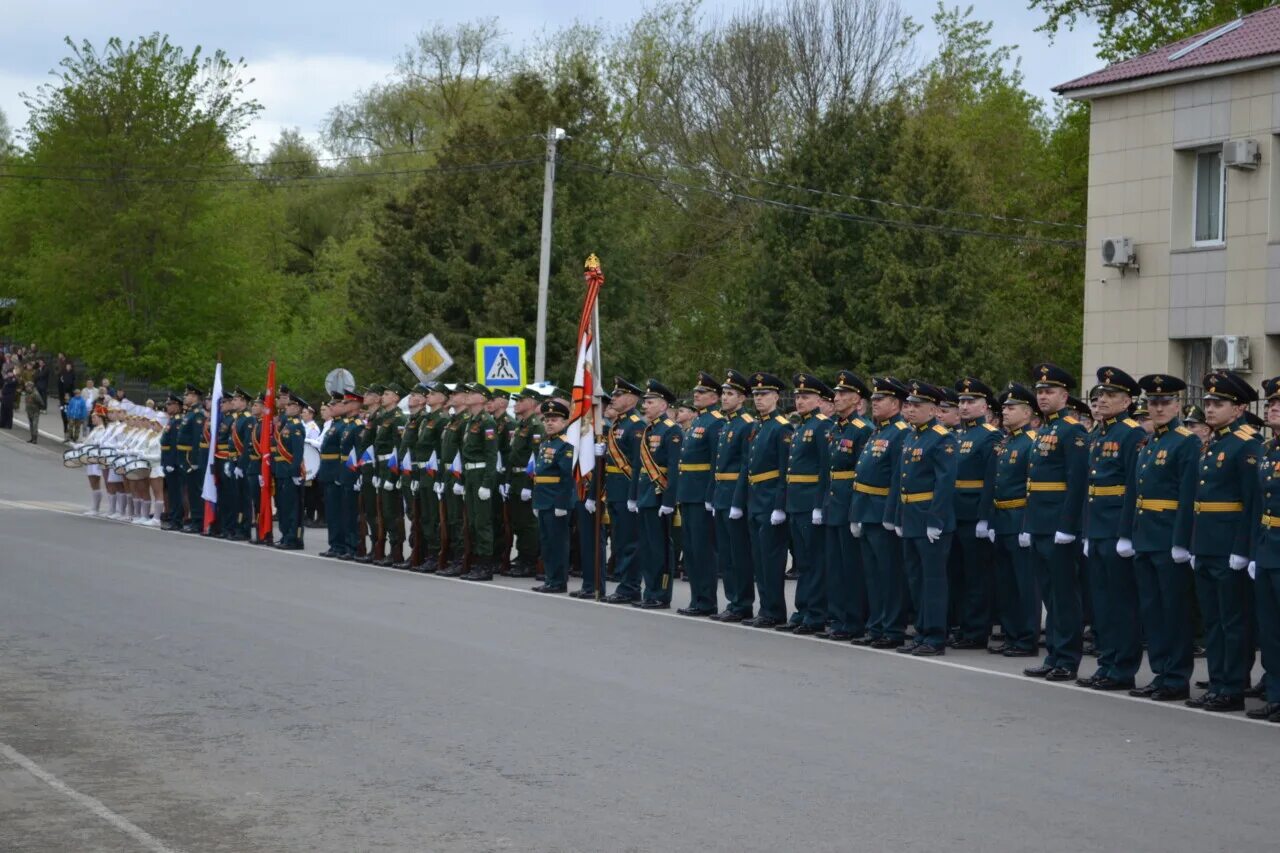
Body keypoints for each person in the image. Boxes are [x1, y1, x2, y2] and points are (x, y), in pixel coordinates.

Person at [1187, 371, 1260, 712]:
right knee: (1214, 620)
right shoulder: (1213, 442)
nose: (1211, 409)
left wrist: (1242, 550)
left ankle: (1232, 685)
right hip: (1206, 544)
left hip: (1229, 546)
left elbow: (1251, 504)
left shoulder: (1246, 444)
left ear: (1240, 407)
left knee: (1232, 620)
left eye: (1219, 403)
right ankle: (1218, 681)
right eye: (1208, 403)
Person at [1128, 374, 1199, 701]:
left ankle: (1176, 676)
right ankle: (1160, 671)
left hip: (1168, 537)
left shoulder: (1186, 442)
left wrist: (1181, 541)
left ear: (1178, 405)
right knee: (1152, 610)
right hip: (1146, 536)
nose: (1157, 408)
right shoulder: (1151, 441)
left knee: (1174, 611)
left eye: (1164, 402)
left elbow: (1187, 497)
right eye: (1152, 403)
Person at [1078, 366, 1146, 692]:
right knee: (1102, 603)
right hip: (1098, 527)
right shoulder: (1099, 433)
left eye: (1111, 395)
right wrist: (1088, 531)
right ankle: (1107, 663)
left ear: (1127, 400)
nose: (1102, 400)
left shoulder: (1131, 433)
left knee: (1121, 602)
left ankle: (1123, 668)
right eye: (1100, 394)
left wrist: (1125, 533)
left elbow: (1133, 487)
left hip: (1117, 526)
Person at [1021, 363, 1088, 683]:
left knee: (1064, 595)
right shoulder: (1045, 430)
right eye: (1039, 391)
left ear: (1064, 395)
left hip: (1058, 524)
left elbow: (1076, 483)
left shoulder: (1072, 430)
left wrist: (1068, 525)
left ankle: (1067, 657)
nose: (1043, 396)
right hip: (1039, 521)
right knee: (1049, 593)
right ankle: (1054, 655)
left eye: (1049, 391)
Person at [889, 381, 958, 656]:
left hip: (930, 520)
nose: (911, 410)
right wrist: (897, 516)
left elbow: (944, 484)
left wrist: (935, 520)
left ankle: (935, 636)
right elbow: (901, 481)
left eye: (917, 406)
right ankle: (921, 630)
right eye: (908, 405)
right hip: (910, 518)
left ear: (933, 409)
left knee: (933, 581)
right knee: (916, 579)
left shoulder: (943, 438)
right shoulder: (912, 436)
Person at [850, 376, 911, 648]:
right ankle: (876, 627)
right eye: (873, 399)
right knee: (872, 576)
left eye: (880, 399)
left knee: (889, 576)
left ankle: (892, 628)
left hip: (882, 514)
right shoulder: (879, 430)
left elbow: (898, 480)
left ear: (895, 403)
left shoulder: (900, 432)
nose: (874, 403)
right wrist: (856, 513)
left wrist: (891, 516)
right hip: (866, 511)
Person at [732, 372, 793, 628]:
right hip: (755, 499)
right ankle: (765, 607)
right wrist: (739, 500)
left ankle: (774, 610)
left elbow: (784, 471)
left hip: (769, 502)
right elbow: (747, 467)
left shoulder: (782, 426)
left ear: (776, 397)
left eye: (764, 394)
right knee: (758, 559)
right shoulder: (757, 426)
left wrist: (779, 506)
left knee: (771, 560)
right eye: (756, 395)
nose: (758, 399)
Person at [987, 383, 1040, 657]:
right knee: (1006, 582)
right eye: (1004, 407)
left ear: (1028, 412)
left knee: (1025, 583)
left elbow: (1032, 488)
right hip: (1002, 517)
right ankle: (1011, 634)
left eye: (1011, 408)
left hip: (1020, 517)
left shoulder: (1031, 442)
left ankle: (1027, 637)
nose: (1005, 412)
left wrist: (1027, 525)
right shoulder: (1007, 441)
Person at [819, 371, 872, 641]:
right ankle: (838, 617)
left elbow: (862, 474)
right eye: (836, 394)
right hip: (833, 503)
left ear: (856, 399)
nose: (836, 398)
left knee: (852, 567)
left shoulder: (863, 430)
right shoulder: (834, 428)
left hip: (850, 502)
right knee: (836, 566)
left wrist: (857, 511)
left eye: (842, 394)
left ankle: (854, 620)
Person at [780, 373, 835, 633]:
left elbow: (826, 469)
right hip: (796, 501)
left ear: (819, 399)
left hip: (810, 500)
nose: (800, 401)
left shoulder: (823, 426)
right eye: (798, 396)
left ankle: (815, 614)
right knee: (802, 561)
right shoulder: (802, 426)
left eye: (806, 397)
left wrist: (818, 504)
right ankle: (803, 610)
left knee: (814, 561)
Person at [949, 377, 1001, 649]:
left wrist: (985, 516)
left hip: (973, 514)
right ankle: (963, 624)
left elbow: (991, 480)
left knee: (977, 576)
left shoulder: (990, 435)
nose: (964, 406)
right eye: (961, 401)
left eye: (971, 401)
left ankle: (977, 630)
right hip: (955, 513)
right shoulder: (958, 435)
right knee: (958, 574)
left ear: (985, 406)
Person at [675, 372, 725, 617]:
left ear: (714, 397)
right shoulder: (697, 421)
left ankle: (707, 600)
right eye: (696, 392)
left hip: (702, 494)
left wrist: (710, 495)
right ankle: (697, 598)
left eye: (702, 392)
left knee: (704, 549)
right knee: (692, 550)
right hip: (688, 493)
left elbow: (717, 462)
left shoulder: (716, 422)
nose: (696, 395)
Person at [1248, 376, 1280, 721]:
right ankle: (1275, 694)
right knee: (1270, 630)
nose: (1272, 409)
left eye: (1278, 405)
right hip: (1269, 547)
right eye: (1270, 404)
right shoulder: (1269, 450)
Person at [603, 378, 647, 603]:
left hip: (627, 490)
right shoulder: (619, 424)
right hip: (615, 489)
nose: (614, 398)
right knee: (619, 540)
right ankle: (624, 583)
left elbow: (639, 465)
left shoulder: (636, 425)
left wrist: (633, 495)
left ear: (631, 399)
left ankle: (630, 586)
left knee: (630, 541)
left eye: (619, 395)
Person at [530, 399, 576, 593]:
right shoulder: (545, 442)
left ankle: (558, 581)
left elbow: (567, 477)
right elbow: (540, 474)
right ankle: (550, 578)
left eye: (554, 419)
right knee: (547, 542)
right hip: (543, 499)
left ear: (565, 422)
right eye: (547, 419)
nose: (549, 423)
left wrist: (562, 503)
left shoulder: (566, 444)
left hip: (556, 500)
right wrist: (535, 500)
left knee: (558, 542)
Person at [506, 388, 544, 577]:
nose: (517, 403)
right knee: (519, 522)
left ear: (532, 402)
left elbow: (535, 459)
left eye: (521, 400)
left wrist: (530, 485)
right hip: (516, 478)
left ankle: (530, 560)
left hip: (526, 479)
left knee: (529, 523)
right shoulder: (522, 425)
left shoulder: (536, 426)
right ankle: (522, 556)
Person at [273, 394, 307, 550]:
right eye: (287, 406)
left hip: (289, 472)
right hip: (281, 471)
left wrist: (294, 473)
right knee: (283, 506)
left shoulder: (297, 426)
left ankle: (293, 537)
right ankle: (286, 534)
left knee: (292, 507)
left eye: (291, 406)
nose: (287, 408)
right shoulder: (287, 425)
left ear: (298, 408)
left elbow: (298, 453)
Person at [301, 402, 323, 528]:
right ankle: (306, 515)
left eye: (304, 413)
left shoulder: (313, 427)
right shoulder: (305, 426)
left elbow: (314, 446)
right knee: (306, 491)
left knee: (310, 492)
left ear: (311, 415)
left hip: (311, 464)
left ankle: (309, 515)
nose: (302, 414)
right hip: (305, 461)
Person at [57, 361, 77, 439]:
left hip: (70, 394)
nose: (68, 367)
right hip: (63, 394)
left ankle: (71, 434)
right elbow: (59, 384)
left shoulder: (73, 374)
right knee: (65, 420)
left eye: (69, 366)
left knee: (71, 421)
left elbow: (73, 384)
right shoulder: (62, 374)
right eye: (67, 366)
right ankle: (66, 433)